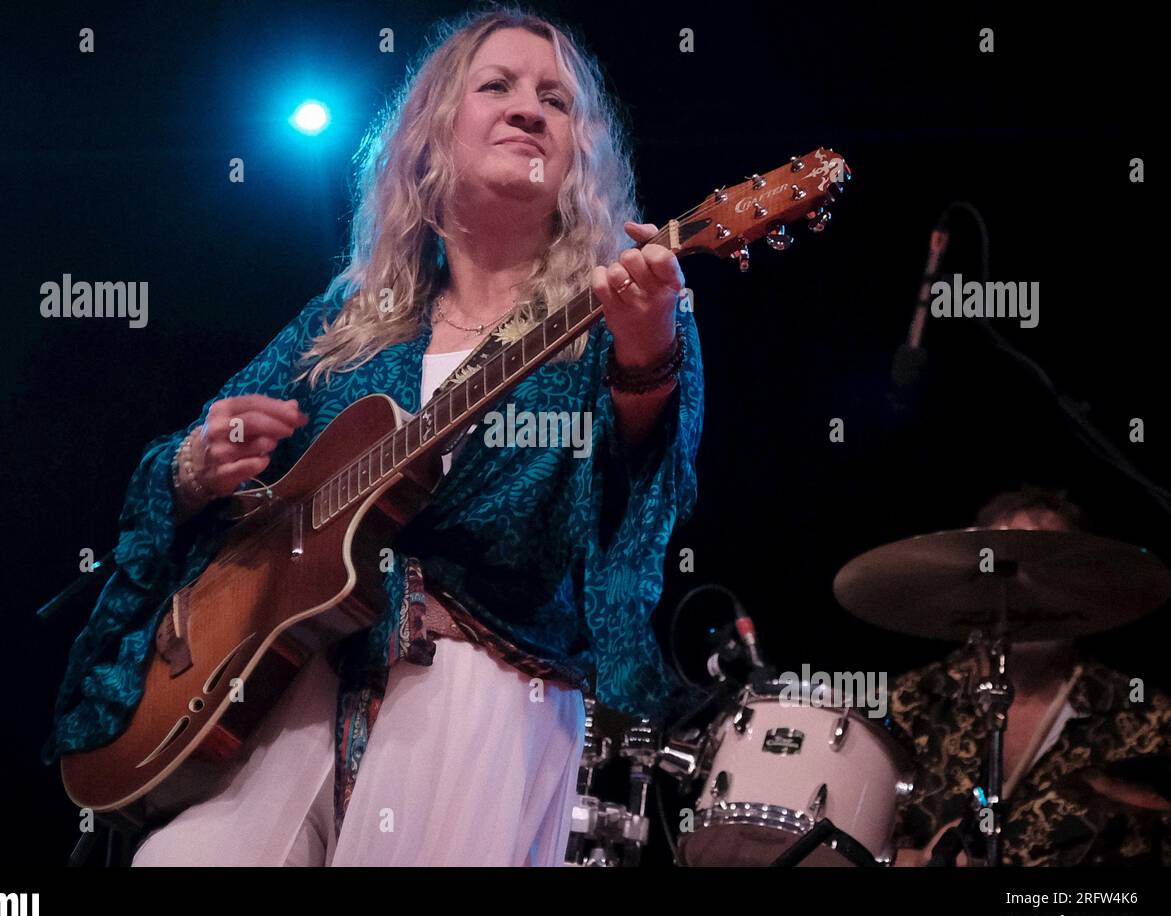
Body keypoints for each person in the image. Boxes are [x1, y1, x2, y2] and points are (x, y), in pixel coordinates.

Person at [41, 8, 704, 866]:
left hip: (485, 685)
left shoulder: (619, 302)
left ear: (580, 150)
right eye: (495, 86)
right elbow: (198, 452)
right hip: (301, 679)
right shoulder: (350, 322)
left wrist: (647, 352)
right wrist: (198, 464)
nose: (529, 109)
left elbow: (647, 491)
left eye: (557, 99)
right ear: (430, 138)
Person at [890, 487, 1171, 866]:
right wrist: (911, 861)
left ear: (1082, 589)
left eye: (1047, 566)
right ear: (971, 588)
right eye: (1003, 569)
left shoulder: (1151, 722)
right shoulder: (905, 704)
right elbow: (842, 844)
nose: (1021, 588)